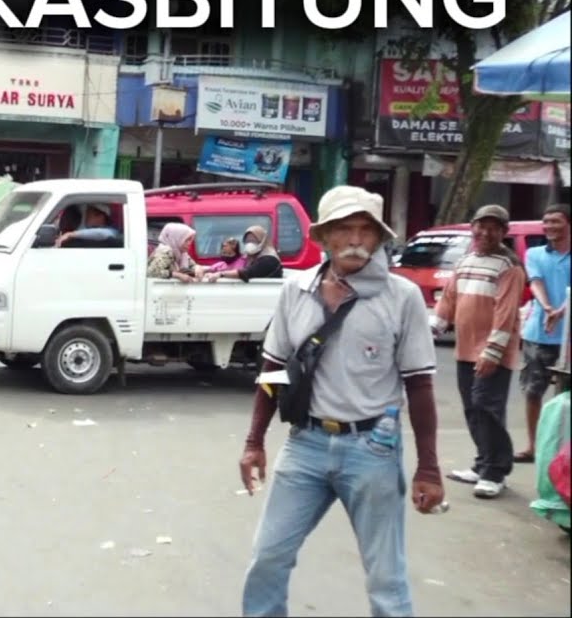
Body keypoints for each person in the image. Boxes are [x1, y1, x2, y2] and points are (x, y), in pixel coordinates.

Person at [239, 185, 442, 618]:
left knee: (385, 578)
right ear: (323, 238)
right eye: (343, 230)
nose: (355, 240)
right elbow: (273, 369)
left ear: (379, 238)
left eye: (365, 231)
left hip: (372, 448)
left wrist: (429, 467)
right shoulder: (297, 290)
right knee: (268, 557)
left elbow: (420, 385)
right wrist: (254, 441)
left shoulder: (401, 297)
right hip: (305, 445)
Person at [431, 205, 525, 498]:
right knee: (473, 409)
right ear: (472, 227)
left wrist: (492, 353)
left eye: (493, 228)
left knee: (488, 408)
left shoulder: (509, 267)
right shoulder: (466, 261)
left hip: (492, 353)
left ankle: (496, 472)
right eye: (480, 226)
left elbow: (506, 314)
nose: (485, 232)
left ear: (503, 233)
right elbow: (450, 297)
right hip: (465, 349)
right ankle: (483, 463)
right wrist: (438, 323)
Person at [516, 203, 571, 462]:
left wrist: (562, 311)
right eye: (546, 221)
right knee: (532, 391)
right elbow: (535, 282)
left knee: (565, 397)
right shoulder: (535, 253)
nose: (548, 226)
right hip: (538, 333)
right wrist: (549, 308)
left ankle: (563, 450)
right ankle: (533, 446)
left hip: (568, 339)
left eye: (555, 221)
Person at [205, 225, 284, 282]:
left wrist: (221, 274)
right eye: (247, 241)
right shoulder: (252, 257)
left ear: (262, 241)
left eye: (253, 241)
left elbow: (246, 273)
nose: (250, 244)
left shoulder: (269, 259)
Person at [56, 203, 123, 247]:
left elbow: (101, 233)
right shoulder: (82, 230)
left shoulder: (111, 231)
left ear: (100, 216)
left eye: (88, 212)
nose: (85, 216)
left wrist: (70, 235)